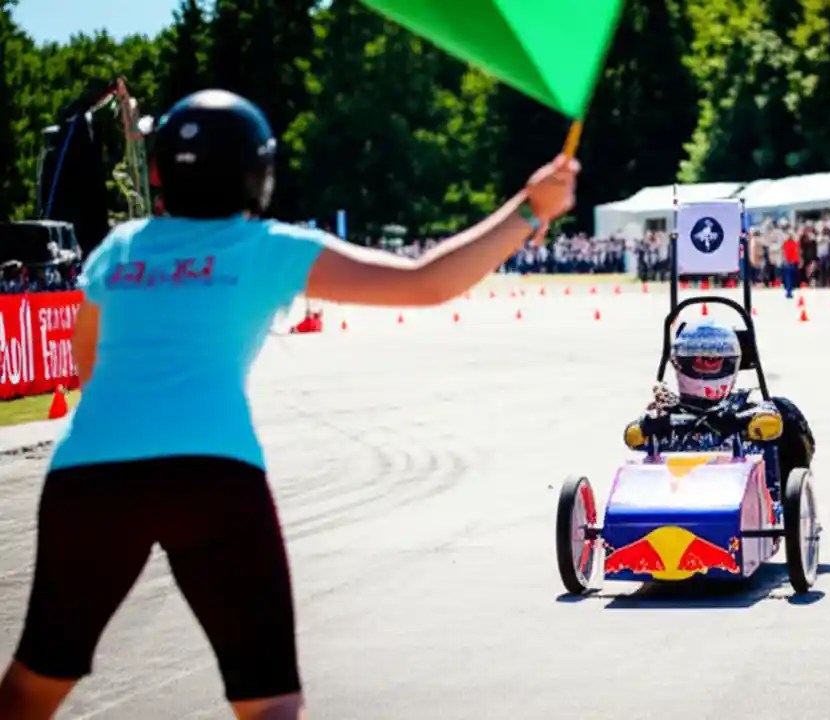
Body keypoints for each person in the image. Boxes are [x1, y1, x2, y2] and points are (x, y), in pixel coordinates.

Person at [0, 89, 578, 720]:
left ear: (160, 171)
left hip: (88, 473)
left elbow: (89, 365)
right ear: (261, 176)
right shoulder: (269, 248)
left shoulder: (121, 248)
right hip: (212, 473)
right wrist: (530, 210)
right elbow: (426, 282)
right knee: (267, 699)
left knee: (35, 681)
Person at [622, 320, 814, 495]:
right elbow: (634, 436)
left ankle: (777, 505)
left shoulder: (749, 407)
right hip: (675, 497)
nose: (707, 367)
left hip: (745, 501)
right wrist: (651, 425)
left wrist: (740, 422)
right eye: (700, 360)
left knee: (784, 416)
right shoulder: (667, 412)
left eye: (714, 361)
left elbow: (783, 435)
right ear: (680, 363)